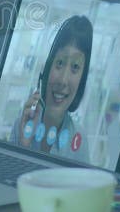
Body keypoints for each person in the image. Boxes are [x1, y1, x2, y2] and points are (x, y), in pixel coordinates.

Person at [9, 15, 93, 164]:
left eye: (75, 67)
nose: (63, 80)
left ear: (82, 79)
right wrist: (24, 146)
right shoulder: (21, 125)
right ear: (47, 70)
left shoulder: (79, 142)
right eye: (59, 63)